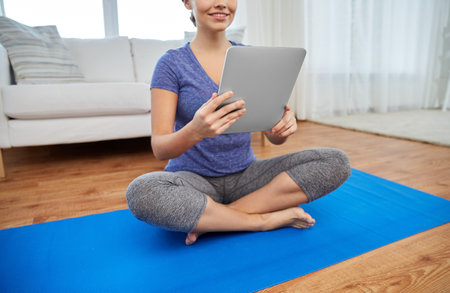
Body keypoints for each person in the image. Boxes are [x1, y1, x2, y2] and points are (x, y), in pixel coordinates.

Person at [126, 0, 351, 245]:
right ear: (187, 2)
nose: (221, 3)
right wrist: (195, 130)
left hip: (247, 177)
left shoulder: (252, 57)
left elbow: (273, 137)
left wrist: (282, 128)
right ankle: (261, 221)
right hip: (193, 180)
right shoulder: (171, 64)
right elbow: (160, 149)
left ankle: (215, 221)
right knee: (142, 192)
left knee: (336, 161)